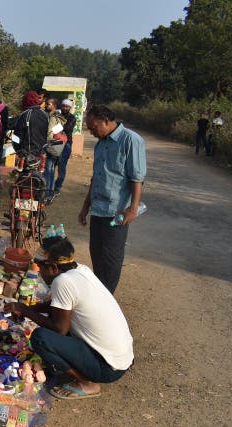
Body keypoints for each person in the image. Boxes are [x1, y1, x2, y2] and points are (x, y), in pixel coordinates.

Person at [4, 237, 134, 399]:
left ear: (52, 268)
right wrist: (26, 310)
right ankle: (80, 367)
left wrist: (24, 309)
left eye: (40, 267)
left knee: (40, 338)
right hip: (122, 359)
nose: (38, 272)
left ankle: (88, 383)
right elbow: (57, 307)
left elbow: (60, 329)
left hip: (107, 368)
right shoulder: (80, 270)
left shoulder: (62, 282)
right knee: (54, 324)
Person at [79, 105, 146, 294]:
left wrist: (132, 209)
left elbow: (137, 178)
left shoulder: (131, 140)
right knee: (97, 256)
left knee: (110, 261)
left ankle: (106, 300)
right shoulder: (101, 144)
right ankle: (99, 297)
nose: (92, 132)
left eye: (93, 128)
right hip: (98, 210)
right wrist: (85, 207)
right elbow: (96, 178)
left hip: (116, 213)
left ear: (106, 121)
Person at [12, 91, 49, 158]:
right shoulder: (45, 114)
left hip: (27, 153)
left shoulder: (25, 114)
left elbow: (17, 135)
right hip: (42, 152)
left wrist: (17, 149)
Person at [53, 99, 76, 197]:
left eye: (67, 106)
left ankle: (57, 187)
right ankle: (49, 186)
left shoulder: (72, 118)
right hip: (54, 143)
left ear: (70, 108)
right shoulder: (56, 115)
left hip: (66, 144)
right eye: (63, 106)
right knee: (51, 166)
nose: (65, 108)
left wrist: (55, 127)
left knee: (61, 167)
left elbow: (67, 128)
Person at [43, 98, 64, 202]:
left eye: (48, 104)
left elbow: (49, 134)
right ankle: (50, 194)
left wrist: (45, 144)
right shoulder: (58, 117)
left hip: (50, 147)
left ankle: (46, 195)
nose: (46, 106)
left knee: (47, 171)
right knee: (51, 171)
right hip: (57, 147)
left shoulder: (52, 118)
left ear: (54, 105)